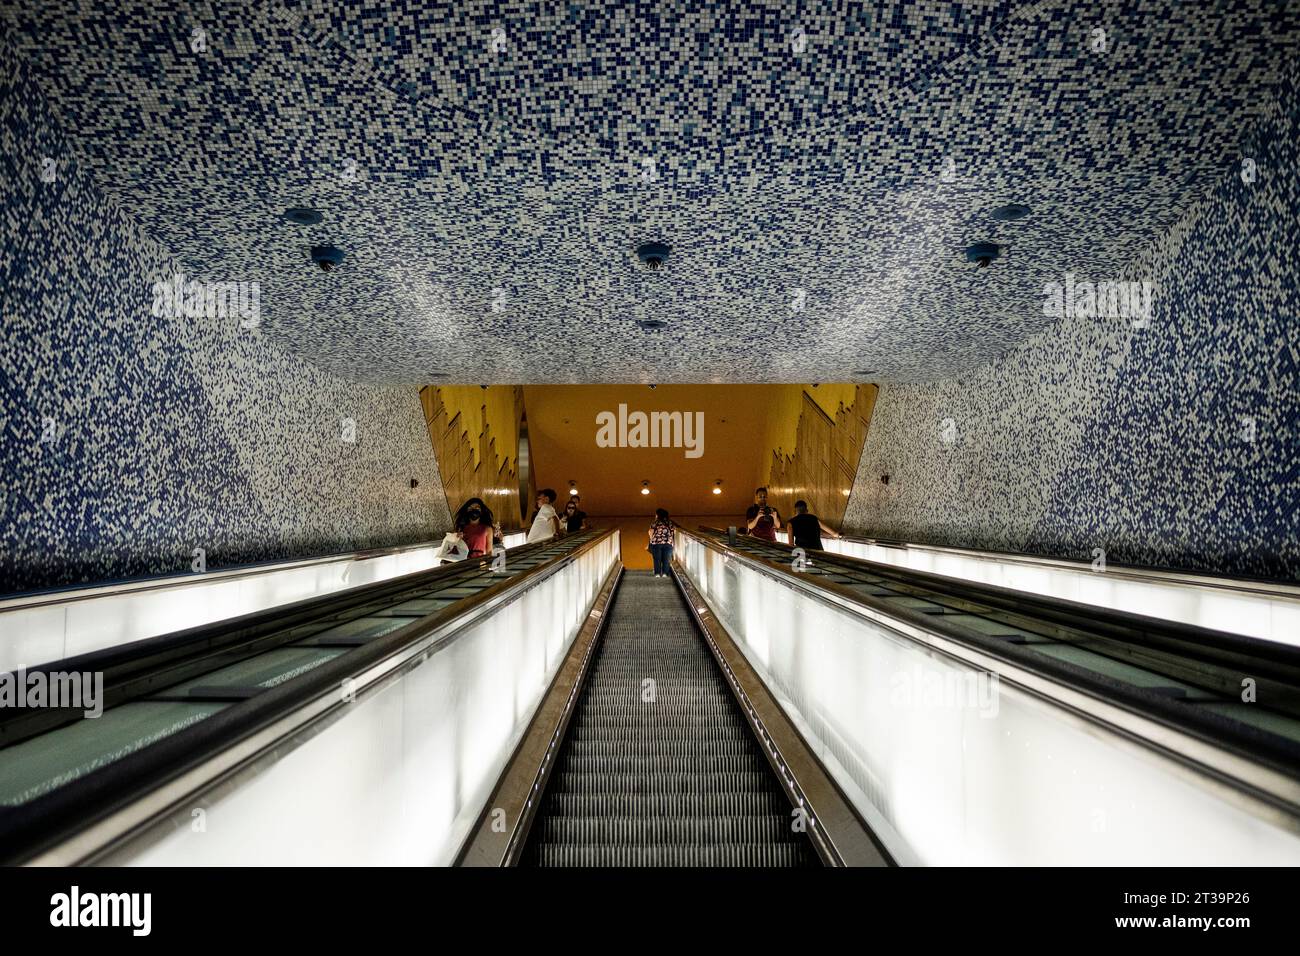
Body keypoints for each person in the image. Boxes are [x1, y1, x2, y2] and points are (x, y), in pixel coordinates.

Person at [648, 508, 675, 578]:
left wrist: (651, 540)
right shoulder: (669, 522)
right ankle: (665, 573)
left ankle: (657, 573)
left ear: (658, 515)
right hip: (668, 543)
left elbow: (651, 532)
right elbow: (672, 532)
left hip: (656, 543)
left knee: (657, 559)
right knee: (666, 559)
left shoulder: (655, 522)